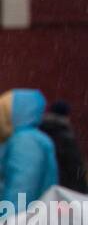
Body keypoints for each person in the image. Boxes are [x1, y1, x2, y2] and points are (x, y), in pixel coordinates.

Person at [0, 89, 59, 218]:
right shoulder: (21, 139)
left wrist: (6, 224)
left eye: (3, 112)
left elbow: (21, 191)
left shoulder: (25, 142)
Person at [39, 99, 88, 194]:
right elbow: (74, 167)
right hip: (64, 189)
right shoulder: (65, 137)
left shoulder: (41, 132)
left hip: (42, 188)